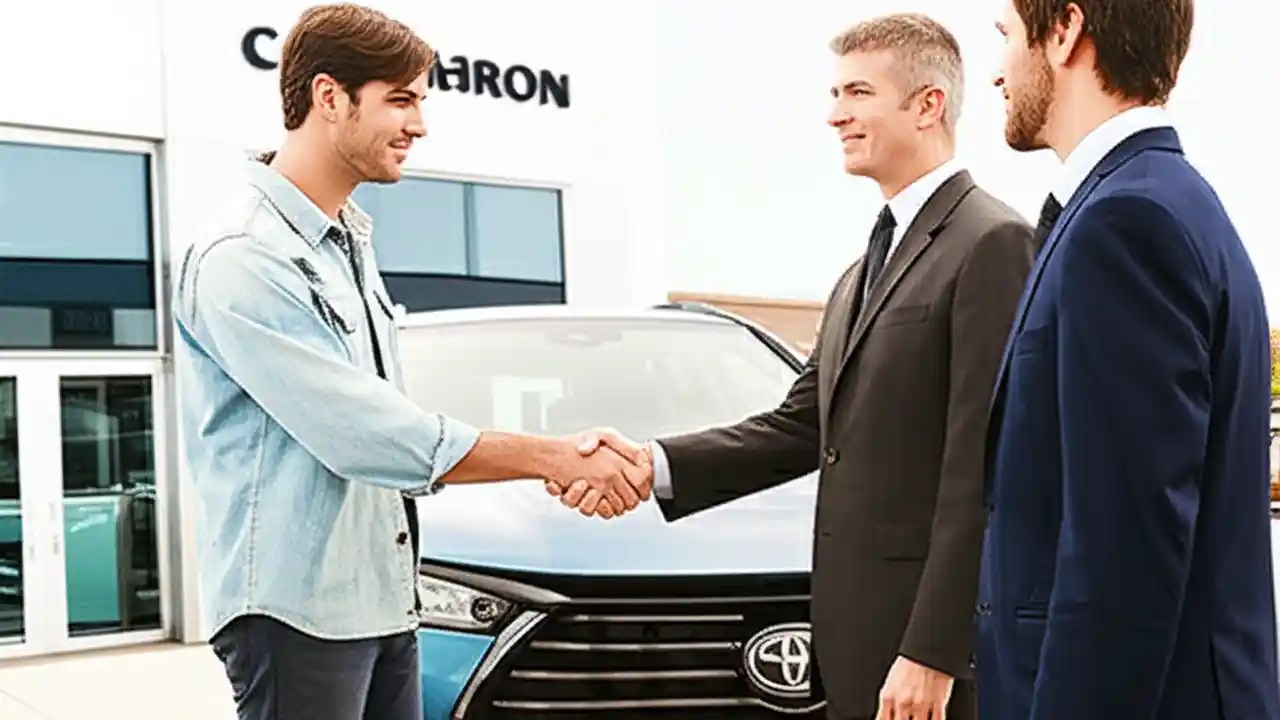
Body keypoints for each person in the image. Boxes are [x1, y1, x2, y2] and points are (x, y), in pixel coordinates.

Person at [171, 5, 645, 719]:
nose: (419, 124)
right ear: (330, 98)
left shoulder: (348, 244)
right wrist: (553, 457)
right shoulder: (244, 255)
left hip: (383, 600)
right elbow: (363, 433)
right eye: (401, 99)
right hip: (297, 617)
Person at [558, 13, 1037, 720]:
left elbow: (983, 470)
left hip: (929, 663)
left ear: (927, 104)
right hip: (854, 645)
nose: (833, 114)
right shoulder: (858, 273)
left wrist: (936, 651)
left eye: (856, 93)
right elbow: (799, 428)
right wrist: (649, 462)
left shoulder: (993, 241)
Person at [977, 1, 1280, 718]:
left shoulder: (1125, 223)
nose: (996, 74)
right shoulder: (1162, 203)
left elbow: (1121, 553)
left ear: (1065, 31)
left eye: (1007, 38)